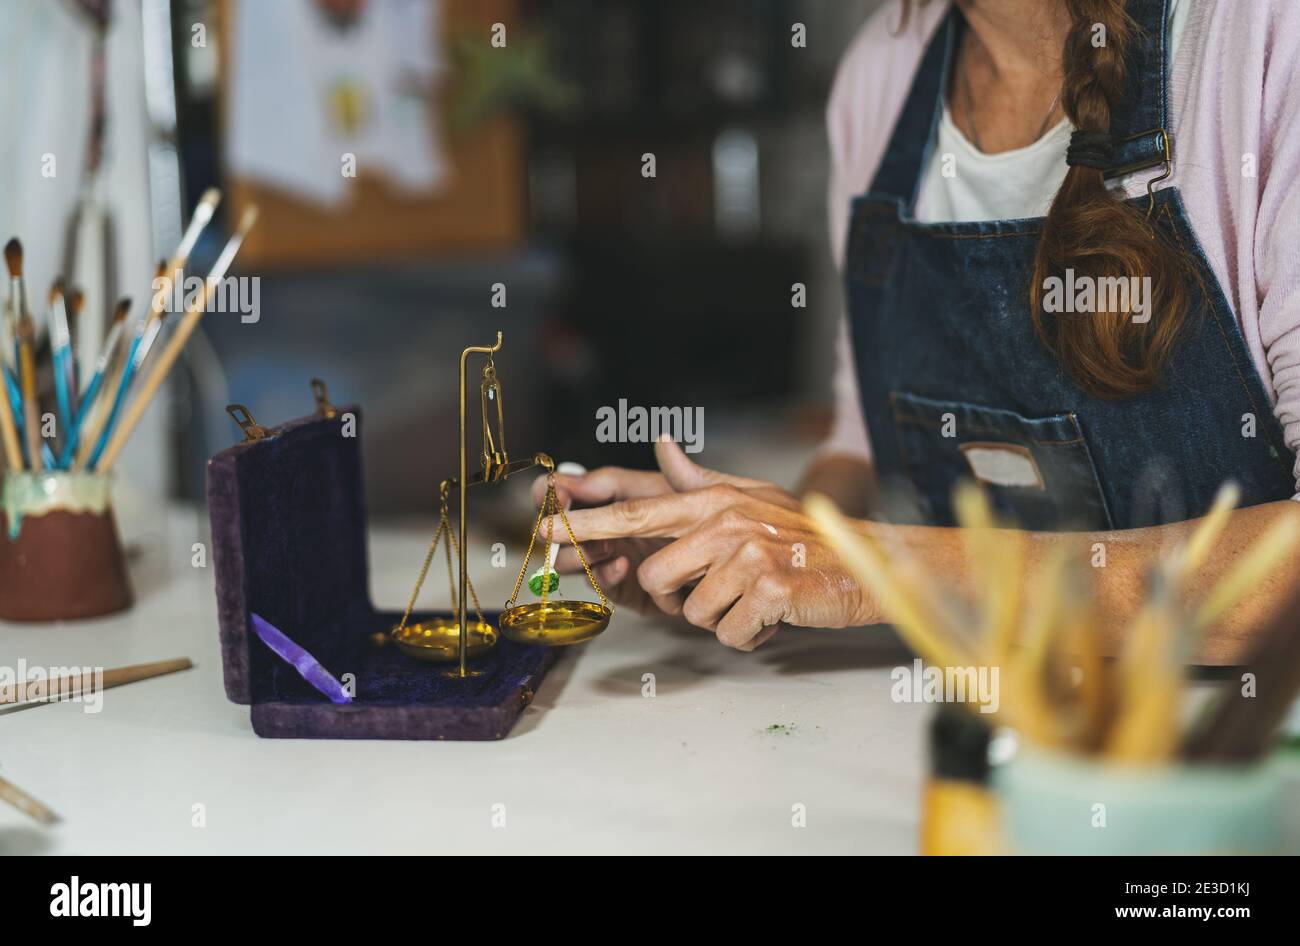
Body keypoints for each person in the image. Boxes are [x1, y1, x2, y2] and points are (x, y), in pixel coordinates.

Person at [536, 0, 1300, 662]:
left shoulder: (1258, 35)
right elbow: (860, 450)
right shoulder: (883, 73)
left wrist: (881, 568)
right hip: (962, 741)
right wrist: (744, 554)